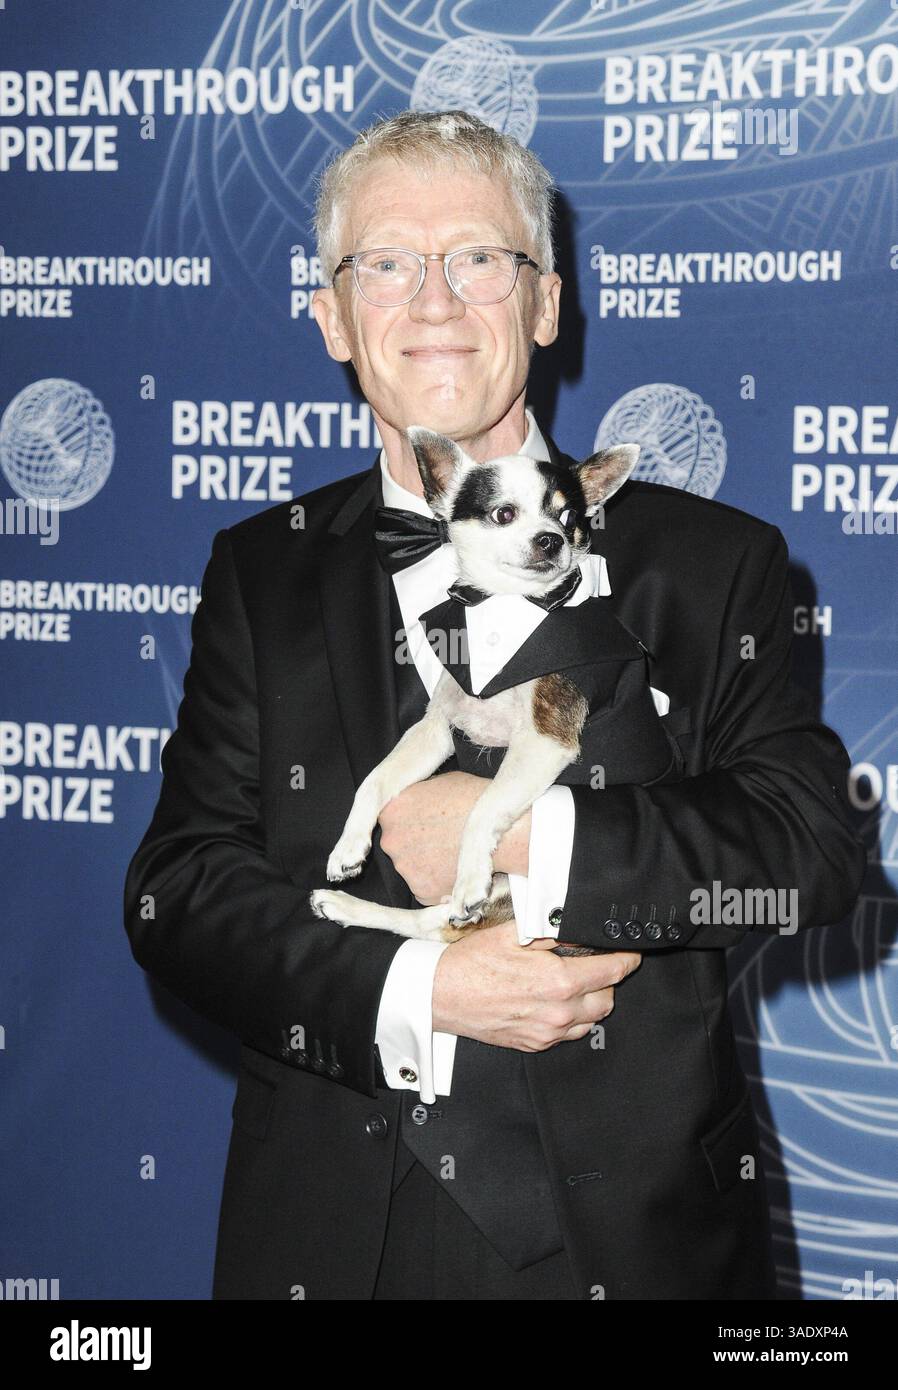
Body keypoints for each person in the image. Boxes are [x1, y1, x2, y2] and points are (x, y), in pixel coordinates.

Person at [123, 108, 866, 1301]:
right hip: (330, 1241)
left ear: (545, 305)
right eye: (385, 263)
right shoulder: (262, 570)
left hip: (631, 1246)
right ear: (330, 315)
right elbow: (180, 895)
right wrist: (417, 988)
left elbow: (813, 848)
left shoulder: (714, 560)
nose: (431, 301)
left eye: (478, 257)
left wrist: (526, 834)